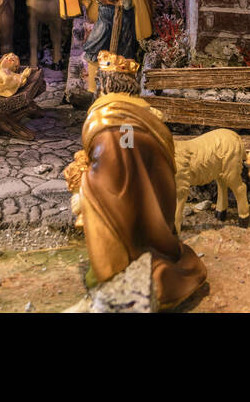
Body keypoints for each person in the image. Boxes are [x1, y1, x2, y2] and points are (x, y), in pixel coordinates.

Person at [78, 79, 207, 309]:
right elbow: (131, 153)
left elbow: (117, 160)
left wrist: (85, 178)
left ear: (105, 85)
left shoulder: (106, 119)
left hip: (120, 199)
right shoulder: (145, 117)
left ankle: (127, 274)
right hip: (153, 199)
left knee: (125, 225)